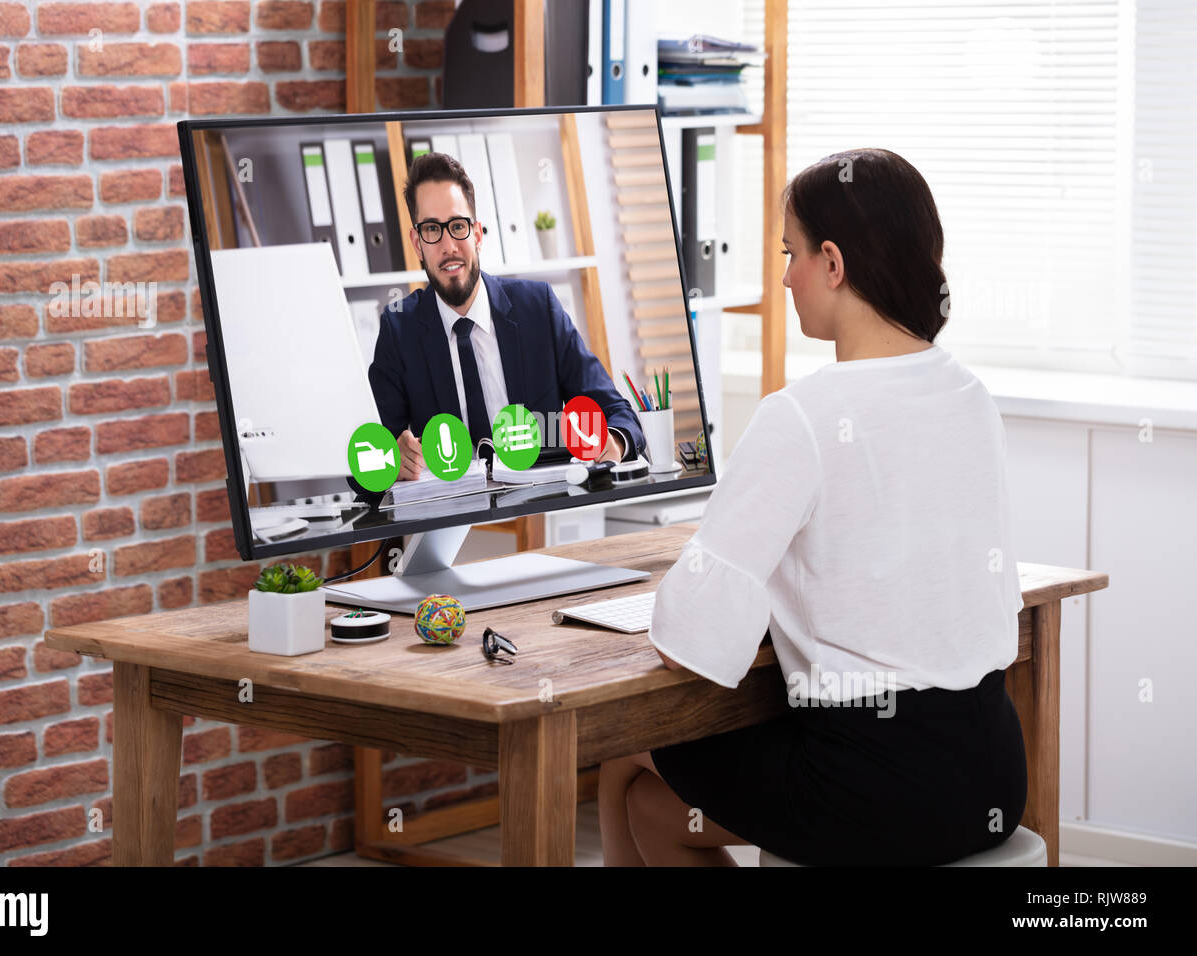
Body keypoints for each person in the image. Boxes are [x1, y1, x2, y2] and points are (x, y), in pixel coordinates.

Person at [599, 148, 1028, 867]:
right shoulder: (969, 395)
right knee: (654, 798)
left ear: (833, 263)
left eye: (791, 253)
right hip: (989, 771)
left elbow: (693, 635)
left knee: (625, 762)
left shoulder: (802, 415)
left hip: (871, 786)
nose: (787, 275)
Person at [368, 152, 646, 478]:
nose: (448, 246)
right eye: (432, 230)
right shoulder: (399, 329)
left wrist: (613, 440)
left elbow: (616, 412)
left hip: (541, 507)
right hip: (456, 520)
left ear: (477, 234)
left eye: (457, 226)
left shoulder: (537, 307)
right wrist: (391, 459)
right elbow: (367, 458)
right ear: (417, 244)